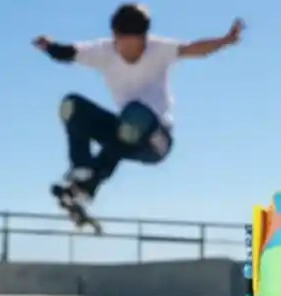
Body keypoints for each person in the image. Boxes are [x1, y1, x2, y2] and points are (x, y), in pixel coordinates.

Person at [33, 4, 244, 219]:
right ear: (115, 36)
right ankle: (82, 174)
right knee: (72, 106)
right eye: (124, 47)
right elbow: (68, 53)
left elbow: (193, 48)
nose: (130, 53)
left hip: (156, 141)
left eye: (137, 47)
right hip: (125, 131)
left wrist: (225, 40)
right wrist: (49, 46)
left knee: (134, 116)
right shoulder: (103, 51)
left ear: (145, 37)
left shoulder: (159, 49)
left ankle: (91, 181)